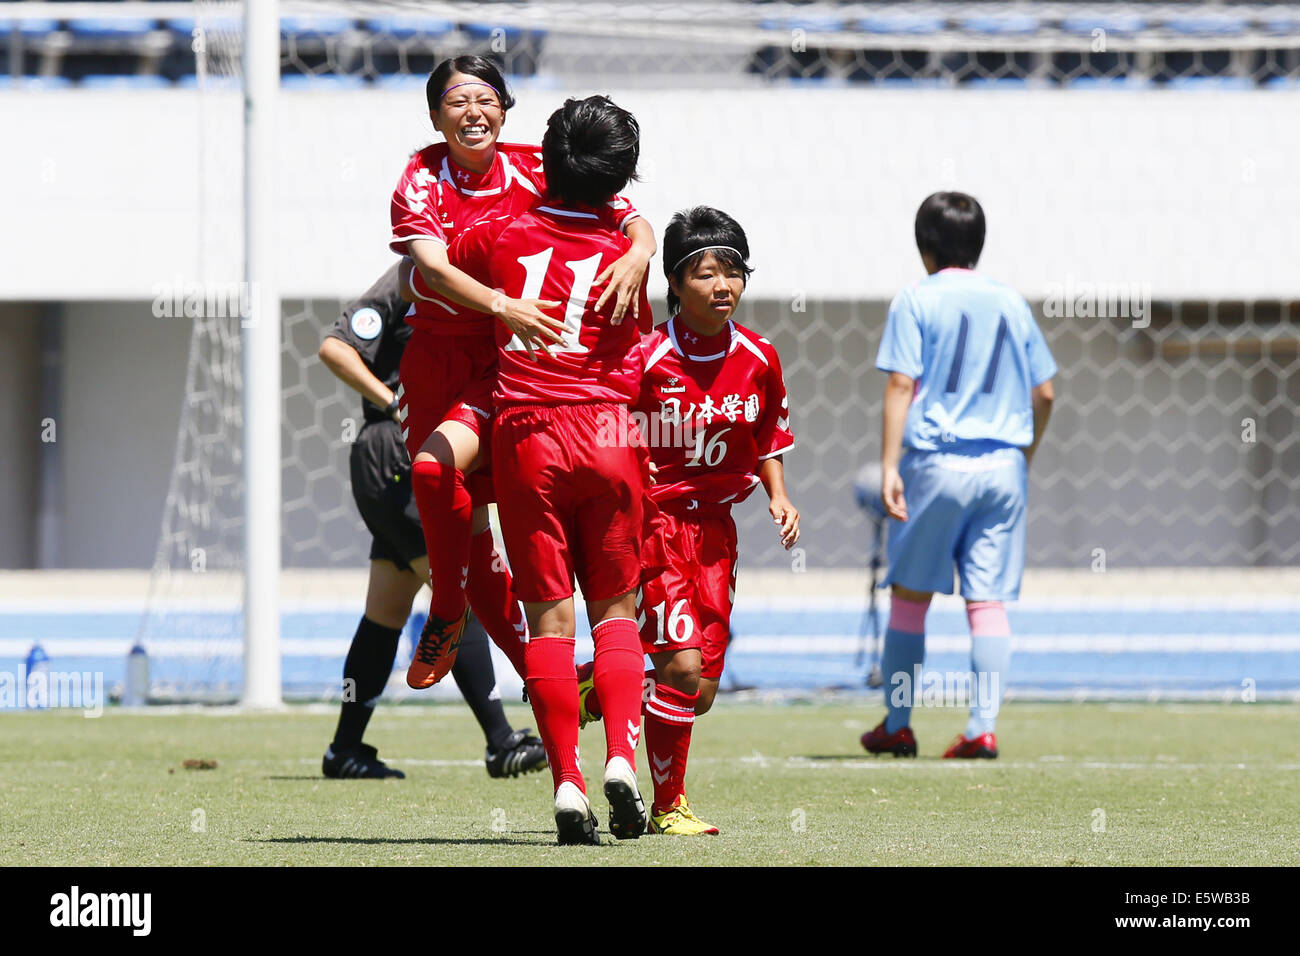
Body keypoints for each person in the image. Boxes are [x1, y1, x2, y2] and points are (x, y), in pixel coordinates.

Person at [388, 56, 657, 691]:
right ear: (434, 117)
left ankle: (497, 636)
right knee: (463, 518)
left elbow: (624, 210)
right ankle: (471, 623)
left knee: (449, 475)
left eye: (485, 99)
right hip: (438, 355)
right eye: (456, 102)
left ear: (505, 109)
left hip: (511, 357)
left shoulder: (536, 165)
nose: (472, 113)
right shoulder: (419, 179)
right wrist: (504, 302)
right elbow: (428, 270)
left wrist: (643, 250)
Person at [450, 95, 653, 846]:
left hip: (526, 434)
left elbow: (431, 276)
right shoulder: (620, 249)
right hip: (605, 429)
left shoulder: (499, 230)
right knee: (616, 614)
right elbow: (637, 351)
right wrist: (639, 233)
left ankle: (567, 781)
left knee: (550, 623)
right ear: (622, 175)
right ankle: (622, 762)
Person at [574, 207, 800, 835]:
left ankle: (604, 685)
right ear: (673, 282)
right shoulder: (644, 358)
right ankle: (669, 807)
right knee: (681, 670)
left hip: (717, 536)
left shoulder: (760, 356)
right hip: (654, 526)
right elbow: (604, 427)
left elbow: (769, 432)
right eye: (705, 273)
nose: (722, 285)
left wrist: (778, 495)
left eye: (733, 271)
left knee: (699, 691)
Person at [317, 264, 546, 780]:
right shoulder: (414, 273)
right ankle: (500, 740)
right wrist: (391, 400)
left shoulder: (481, 275)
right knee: (455, 586)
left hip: (421, 453)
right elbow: (334, 346)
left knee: (388, 607)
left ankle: (345, 749)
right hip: (402, 454)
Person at [862, 191, 1056, 759]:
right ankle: (982, 727)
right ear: (979, 244)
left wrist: (890, 464)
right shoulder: (1011, 301)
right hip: (1003, 466)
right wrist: (1024, 455)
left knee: (910, 597)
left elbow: (901, 384)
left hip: (937, 464)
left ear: (924, 246)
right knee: (987, 601)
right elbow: (1045, 393)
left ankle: (898, 723)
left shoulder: (916, 299)